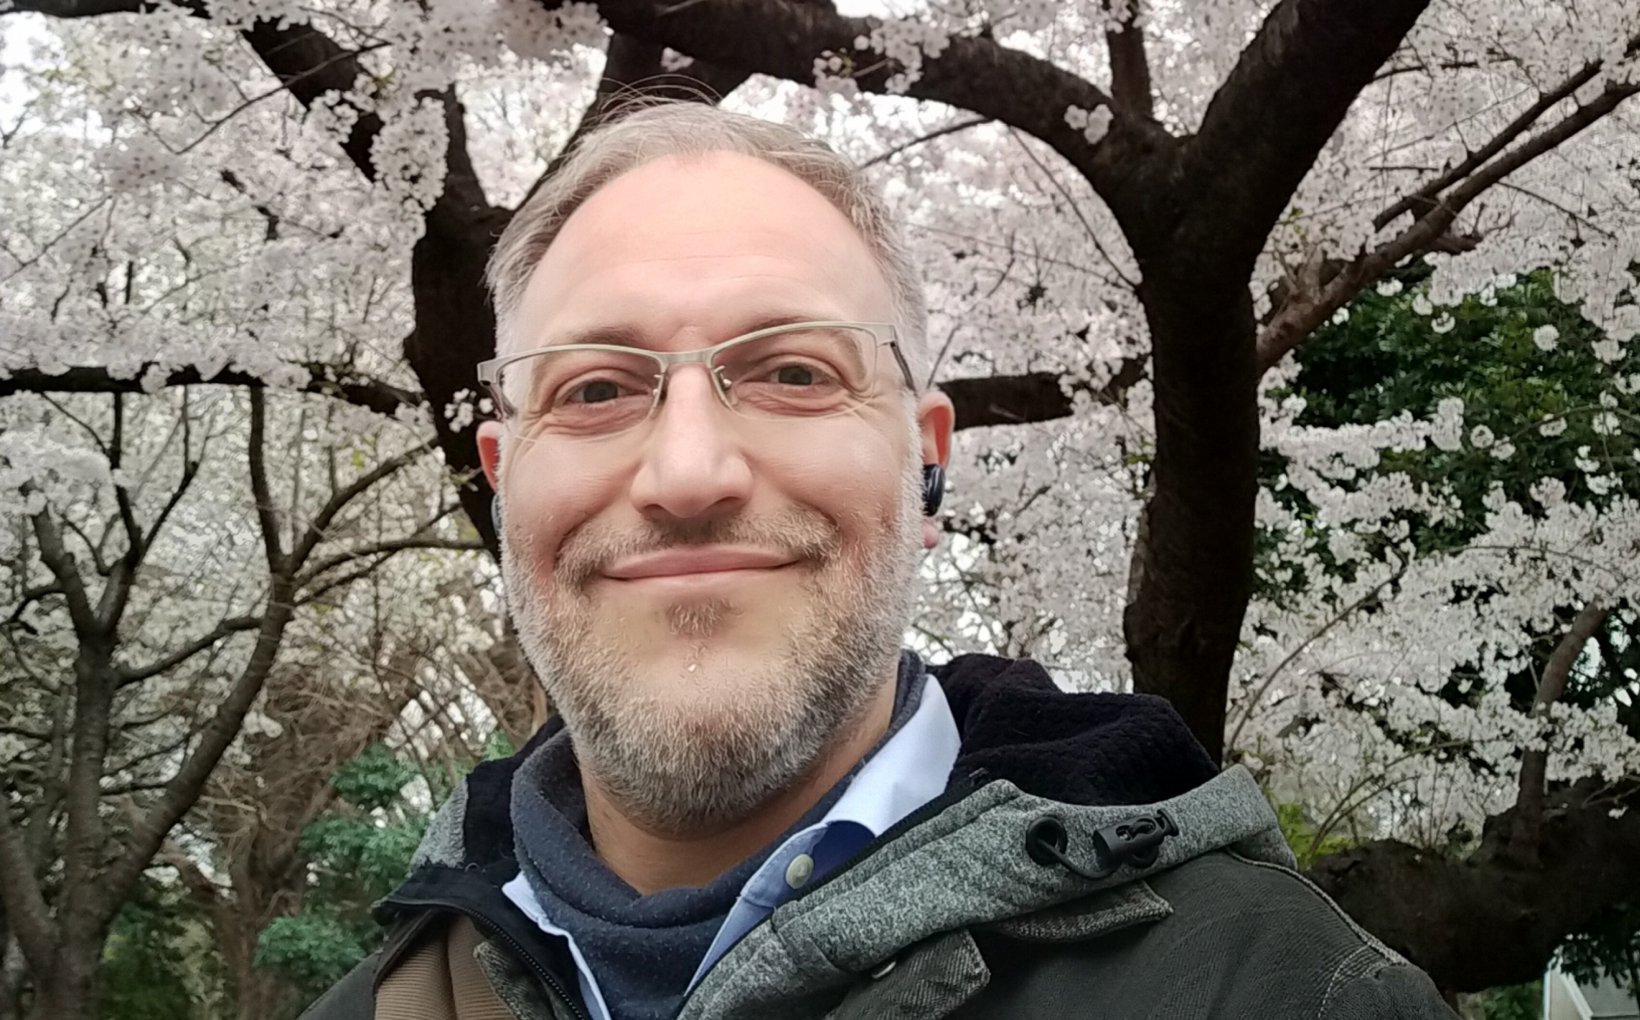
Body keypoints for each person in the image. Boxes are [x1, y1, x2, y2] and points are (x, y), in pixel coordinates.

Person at [304, 101, 1455, 1020]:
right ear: (502, 478)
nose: (689, 470)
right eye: (594, 389)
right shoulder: (372, 1007)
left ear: (924, 462)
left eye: (793, 372)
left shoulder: (1281, 991)